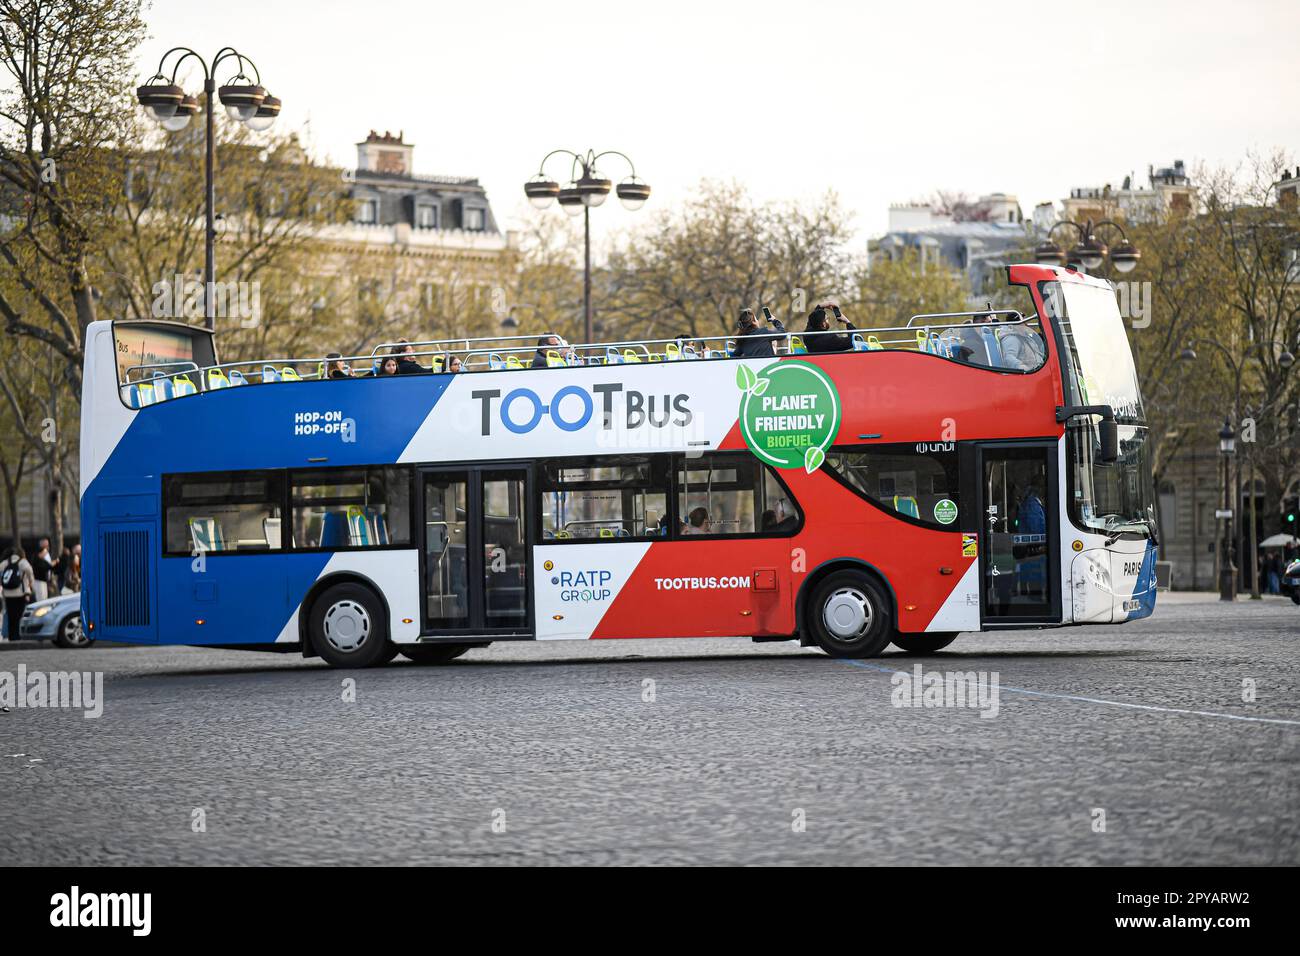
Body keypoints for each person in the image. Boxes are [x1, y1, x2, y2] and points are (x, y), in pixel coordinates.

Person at [1, 546, 34, 641]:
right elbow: (30, 571)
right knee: (19, 615)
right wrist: (30, 584)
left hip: (7, 593)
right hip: (20, 593)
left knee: (11, 615)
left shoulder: (6, 562)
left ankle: (11, 636)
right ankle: (18, 635)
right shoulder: (23, 562)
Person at [30, 538, 52, 603]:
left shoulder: (47, 554)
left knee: (45, 599)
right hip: (39, 580)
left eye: (48, 545)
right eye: (45, 545)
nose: (47, 546)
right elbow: (43, 567)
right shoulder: (37, 556)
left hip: (46, 580)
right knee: (41, 600)